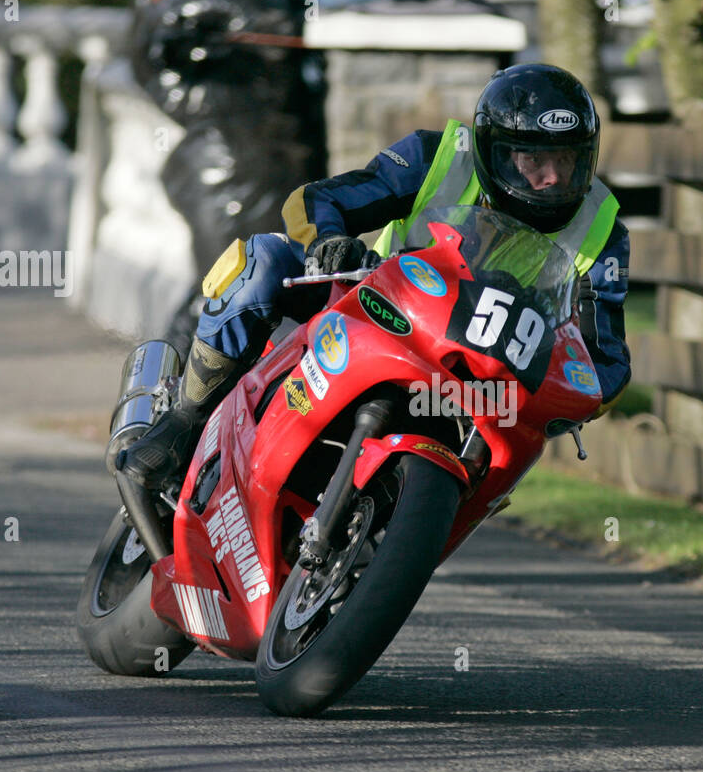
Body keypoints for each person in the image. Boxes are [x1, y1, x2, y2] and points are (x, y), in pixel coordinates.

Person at [117, 62, 632, 490]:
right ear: (494, 150)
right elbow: (320, 198)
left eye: (566, 160)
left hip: (475, 390)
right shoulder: (439, 157)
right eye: (532, 160)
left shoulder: (602, 230)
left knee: (507, 468)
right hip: (373, 312)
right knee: (265, 259)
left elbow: (605, 359)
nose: (552, 178)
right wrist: (328, 243)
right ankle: (186, 417)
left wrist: (569, 394)